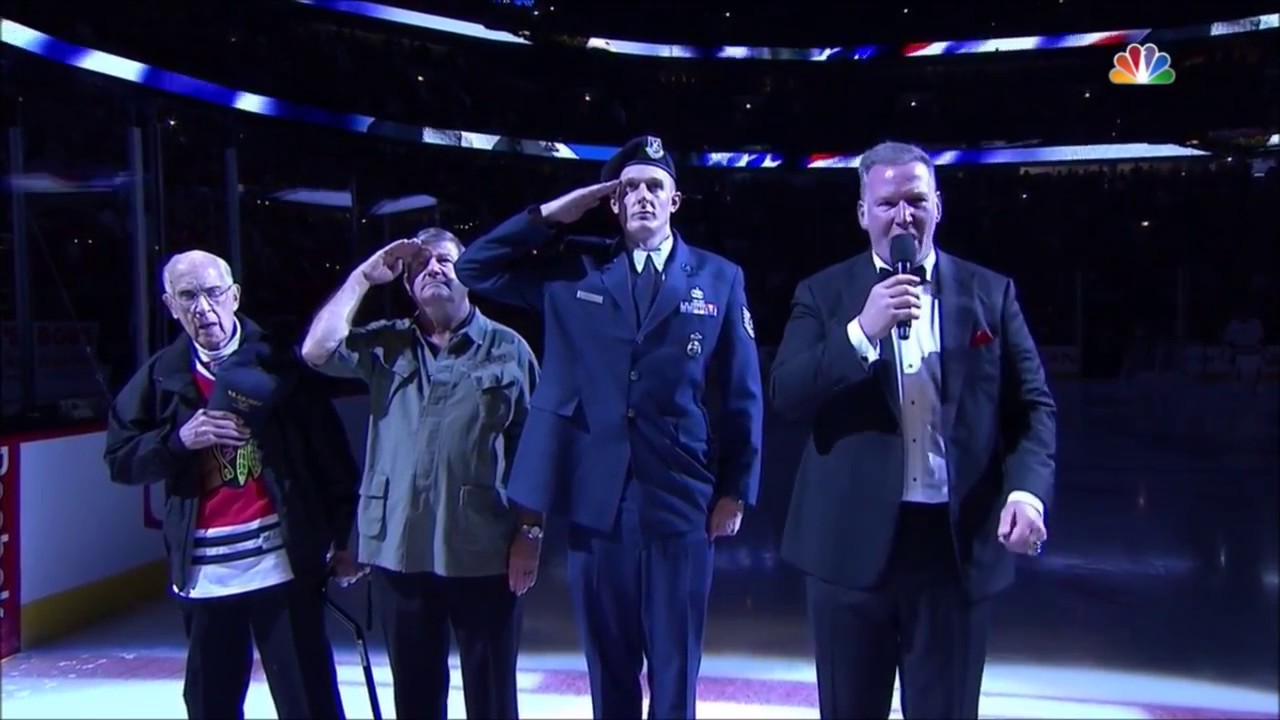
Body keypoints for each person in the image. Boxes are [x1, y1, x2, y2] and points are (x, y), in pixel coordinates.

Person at [454, 135, 764, 719]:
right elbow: (474, 268)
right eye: (628, 189)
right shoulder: (574, 270)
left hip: (682, 496)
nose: (642, 196)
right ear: (612, 204)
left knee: (675, 667)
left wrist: (736, 487)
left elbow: (742, 390)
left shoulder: (719, 277)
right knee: (609, 663)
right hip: (597, 499)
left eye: (654, 186)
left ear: (676, 201)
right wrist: (554, 213)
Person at [769, 141, 1057, 719]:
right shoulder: (822, 295)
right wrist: (860, 332)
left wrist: (1025, 494)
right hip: (848, 553)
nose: (903, 215)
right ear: (862, 213)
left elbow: (1033, 408)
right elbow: (786, 396)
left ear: (938, 206)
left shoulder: (989, 293)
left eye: (916, 201)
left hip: (953, 551)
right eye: (888, 203)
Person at [103, 250, 360, 720]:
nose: (203, 309)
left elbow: (332, 460)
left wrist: (347, 536)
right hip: (204, 577)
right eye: (188, 297)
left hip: (284, 566)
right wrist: (178, 440)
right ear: (170, 305)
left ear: (234, 296)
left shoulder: (281, 367)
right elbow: (120, 461)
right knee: (209, 705)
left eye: (213, 293)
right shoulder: (163, 377)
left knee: (310, 700)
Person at [300, 227, 541, 720]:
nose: (431, 269)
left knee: (492, 691)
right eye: (418, 266)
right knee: (414, 693)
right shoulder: (386, 343)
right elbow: (316, 351)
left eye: (446, 261)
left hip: (482, 548)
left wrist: (530, 533)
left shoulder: (509, 349)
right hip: (399, 551)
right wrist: (365, 276)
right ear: (407, 285)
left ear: (470, 274)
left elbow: (532, 450)